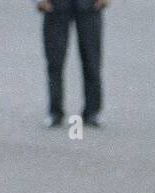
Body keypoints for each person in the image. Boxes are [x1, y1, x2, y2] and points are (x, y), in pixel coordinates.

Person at [34, 0, 109, 130]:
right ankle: (55, 112)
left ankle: (92, 112)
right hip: (55, 6)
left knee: (92, 61)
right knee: (55, 62)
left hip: (90, 5)